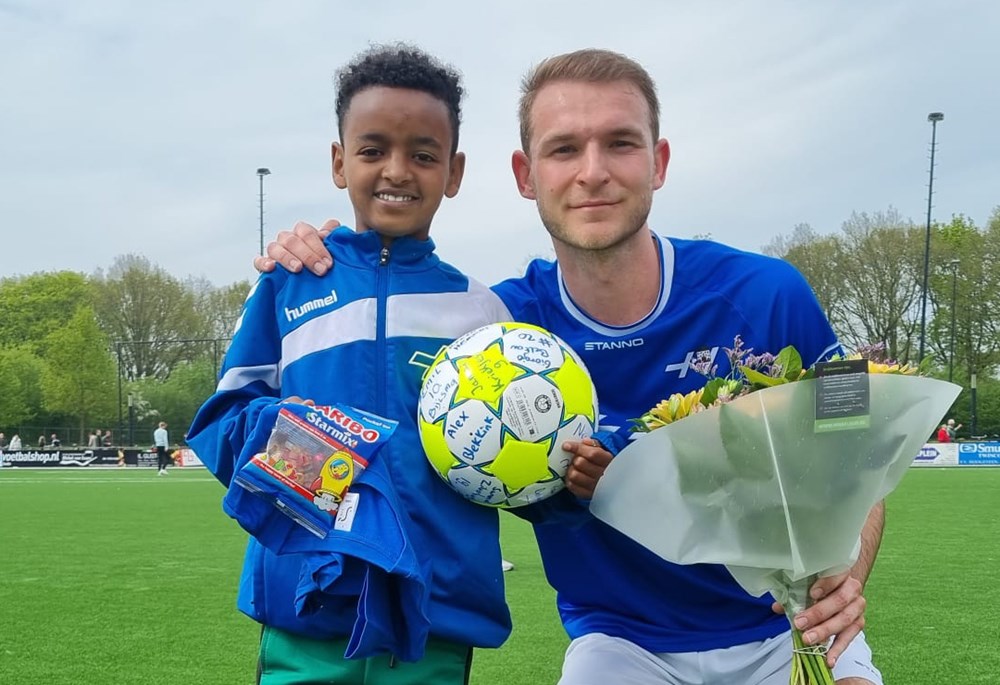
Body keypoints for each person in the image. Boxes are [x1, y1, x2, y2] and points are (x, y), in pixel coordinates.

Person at [259, 48, 883, 685]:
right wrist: (329, 260)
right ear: (525, 174)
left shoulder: (772, 292)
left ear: (658, 162)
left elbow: (863, 444)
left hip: (788, 630)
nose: (593, 173)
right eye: (564, 150)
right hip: (619, 643)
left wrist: (843, 578)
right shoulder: (491, 328)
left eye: (620, 143)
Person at [185, 44, 599, 684]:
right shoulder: (289, 284)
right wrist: (332, 464)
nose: (397, 171)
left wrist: (567, 477)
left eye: (424, 155)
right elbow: (222, 422)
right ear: (338, 160)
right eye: (373, 149)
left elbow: (520, 469)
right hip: (309, 609)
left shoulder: (484, 315)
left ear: (454, 172)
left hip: (434, 620)